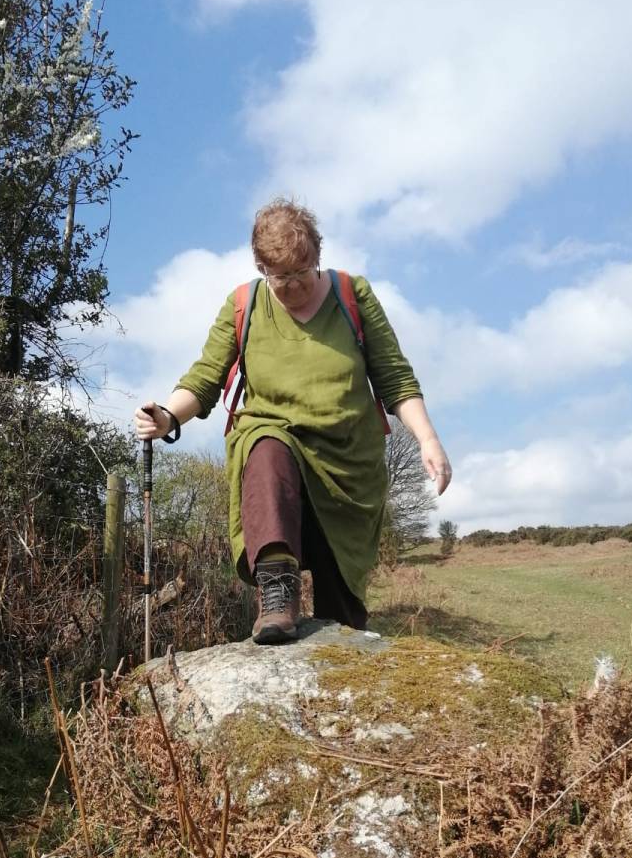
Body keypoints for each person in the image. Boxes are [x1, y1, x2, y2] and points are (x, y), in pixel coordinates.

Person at [134, 198, 452, 645]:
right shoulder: (244, 305)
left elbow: (394, 378)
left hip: (349, 468)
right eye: (280, 277)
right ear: (261, 268)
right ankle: (278, 595)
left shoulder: (352, 295)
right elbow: (205, 378)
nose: (294, 285)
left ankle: (345, 652)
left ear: (318, 257)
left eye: (303, 272)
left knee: (343, 614)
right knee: (264, 445)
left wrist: (427, 439)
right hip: (277, 446)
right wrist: (168, 416)